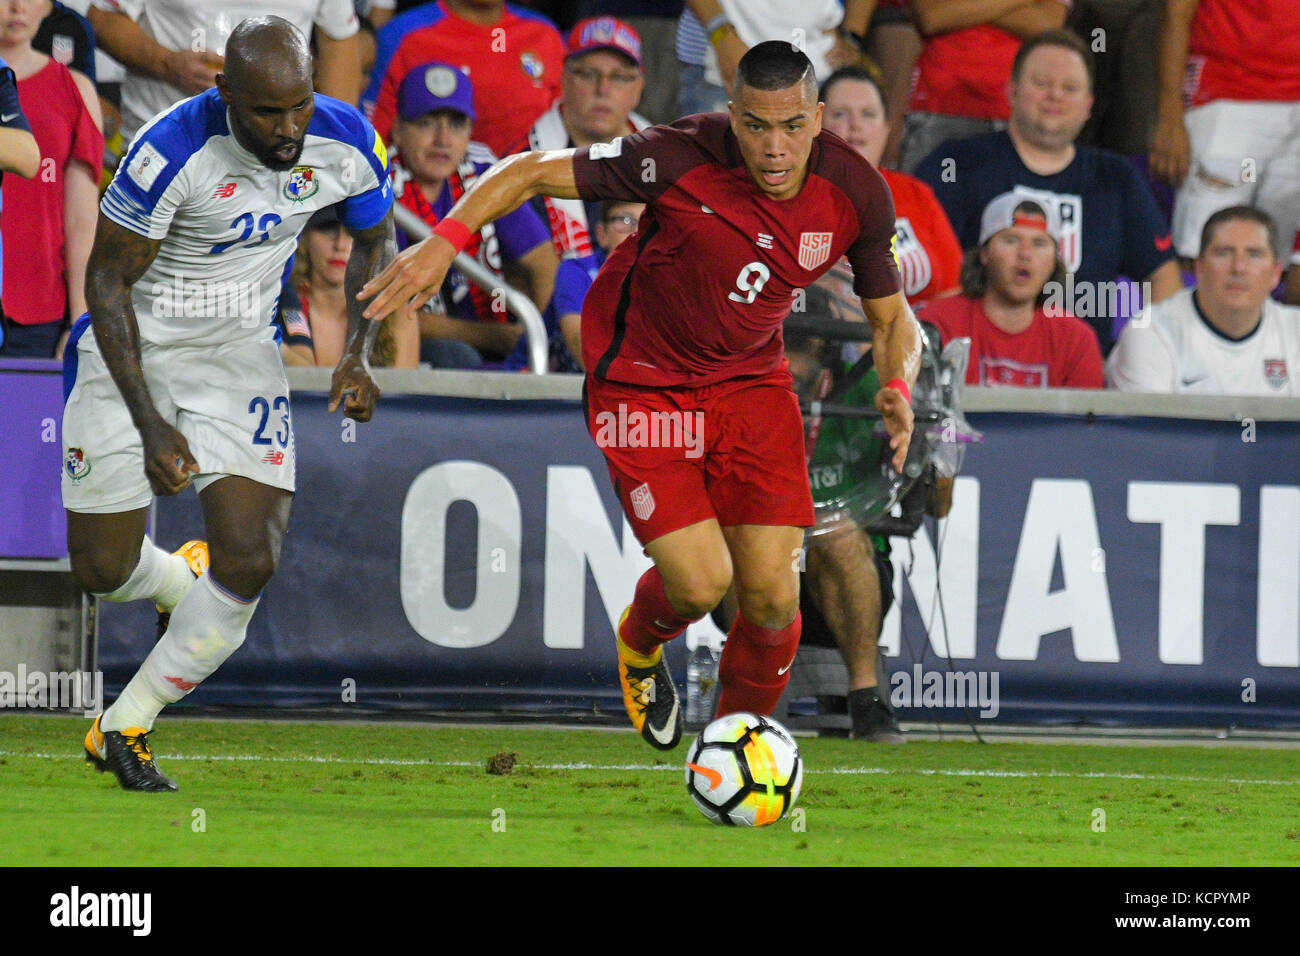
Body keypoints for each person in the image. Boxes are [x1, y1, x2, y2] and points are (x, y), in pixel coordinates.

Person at [360, 40, 922, 750]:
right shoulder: (678, 155)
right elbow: (531, 170)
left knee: (777, 599)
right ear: (732, 115)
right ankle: (639, 642)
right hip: (645, 382)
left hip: (750, 383)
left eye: (790, 126)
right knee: (698, 586)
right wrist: (444, 242)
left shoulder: (856, 191)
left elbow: (892, 318)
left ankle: (727, 751)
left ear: (817, 119)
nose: (773, 148)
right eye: (754, 126)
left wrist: (897, 383)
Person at [65, 16, 394, 791]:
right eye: (267, 113)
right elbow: (105, 280)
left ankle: (127, 722)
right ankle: (177, 581)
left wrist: (356, 351)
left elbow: (376, 240)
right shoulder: (168, 151)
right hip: (135, 340)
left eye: (300, 108)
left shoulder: (345, 138)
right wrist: (151, 425)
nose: (288, 132)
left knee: (251, 557)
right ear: (225, 94)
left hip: (239, 351)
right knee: (100, 569)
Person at [914, 28, 1182, 353]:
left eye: (1070, 88)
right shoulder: (958, 163)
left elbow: (1162, 275)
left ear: (1088, 105)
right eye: (1041, 83)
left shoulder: (1116, 177)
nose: (1055, 95)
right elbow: (920, 264)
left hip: (1080, 374)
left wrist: (1156, 353)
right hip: (971, 364)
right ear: (1011, 92)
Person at [389, 61, 557, 365]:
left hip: (491, 334)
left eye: (456, 125)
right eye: (427, 123)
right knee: (456, 356)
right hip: (415, 346)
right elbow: (392, 310)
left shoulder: (483, 174)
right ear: (398, 131)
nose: (442, 139)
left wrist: (543, 335)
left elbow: (542, 261)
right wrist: (496, 337)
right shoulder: (379, 186)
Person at [87, 0, 362, 143]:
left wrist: (337, 139)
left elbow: (339, 38)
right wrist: (166, 63)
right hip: (166, 145)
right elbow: (102, 18)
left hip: (269, 156)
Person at [1149, 0, 1300, 261]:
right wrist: (1169, 116)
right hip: (1224, 97)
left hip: (1294, 113)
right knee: (1204, 252)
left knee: (1276, 262)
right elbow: (1176, 15)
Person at [0, 0, 103, 359]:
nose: (16, 8)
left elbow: (82, 221)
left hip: (38, 310)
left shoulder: (74, 89)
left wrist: (81, 323)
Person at [1108, 206, 1300, 395]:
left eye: (1254, 255)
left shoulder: (1295, 331)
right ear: (1199, 267)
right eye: (1224, 252)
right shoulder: (1150, 333)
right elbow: (1146, 426)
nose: (1239, 267)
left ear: (1276, 273)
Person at [924, 191, 1104, 387]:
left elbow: (1085, 417)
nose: (1025, 254)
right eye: (1011, 240)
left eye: (1039, 243)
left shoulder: (1077, 341)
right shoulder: (937, 323)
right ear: (984, 254)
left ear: (1055, 261)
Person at [820, 64, 961, 305]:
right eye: (840, 114)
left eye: (868, 114)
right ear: (815, 126)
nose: (856, 125)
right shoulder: (797, 197)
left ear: (886, 129)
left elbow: (953, 290)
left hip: (921, 336)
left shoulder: (917, 194)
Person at [512, 14, 650, 260]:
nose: (603, 89)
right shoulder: (523, 163)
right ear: (564, 79)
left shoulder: (665, 158)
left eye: (619, 77)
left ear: (638, 88)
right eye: (588, 74)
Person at [364, 0, 566, 157]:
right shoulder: (401, 37)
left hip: (535, 198)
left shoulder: (544, 35)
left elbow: (566, 134)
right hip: (431, 202)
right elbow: (372, 145)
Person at [899, 0, 1068, 172]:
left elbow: (1047, 26)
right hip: (937, 105)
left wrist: (965, 10)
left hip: (1013, 112)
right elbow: (933, 16)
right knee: (923, 196)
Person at [502, 198, 646, 373]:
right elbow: (580, 340)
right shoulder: (576, 271)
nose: (636, 232)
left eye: (646, 222)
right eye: (625, 220)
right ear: (602, 234)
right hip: (529, 386)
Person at [282, 205, 418, 368]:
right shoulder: (281, 303)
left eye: (354, 233)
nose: (340, 245)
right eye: (328, 230)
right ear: (305, 237)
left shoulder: (394, 310)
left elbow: (403, 390)